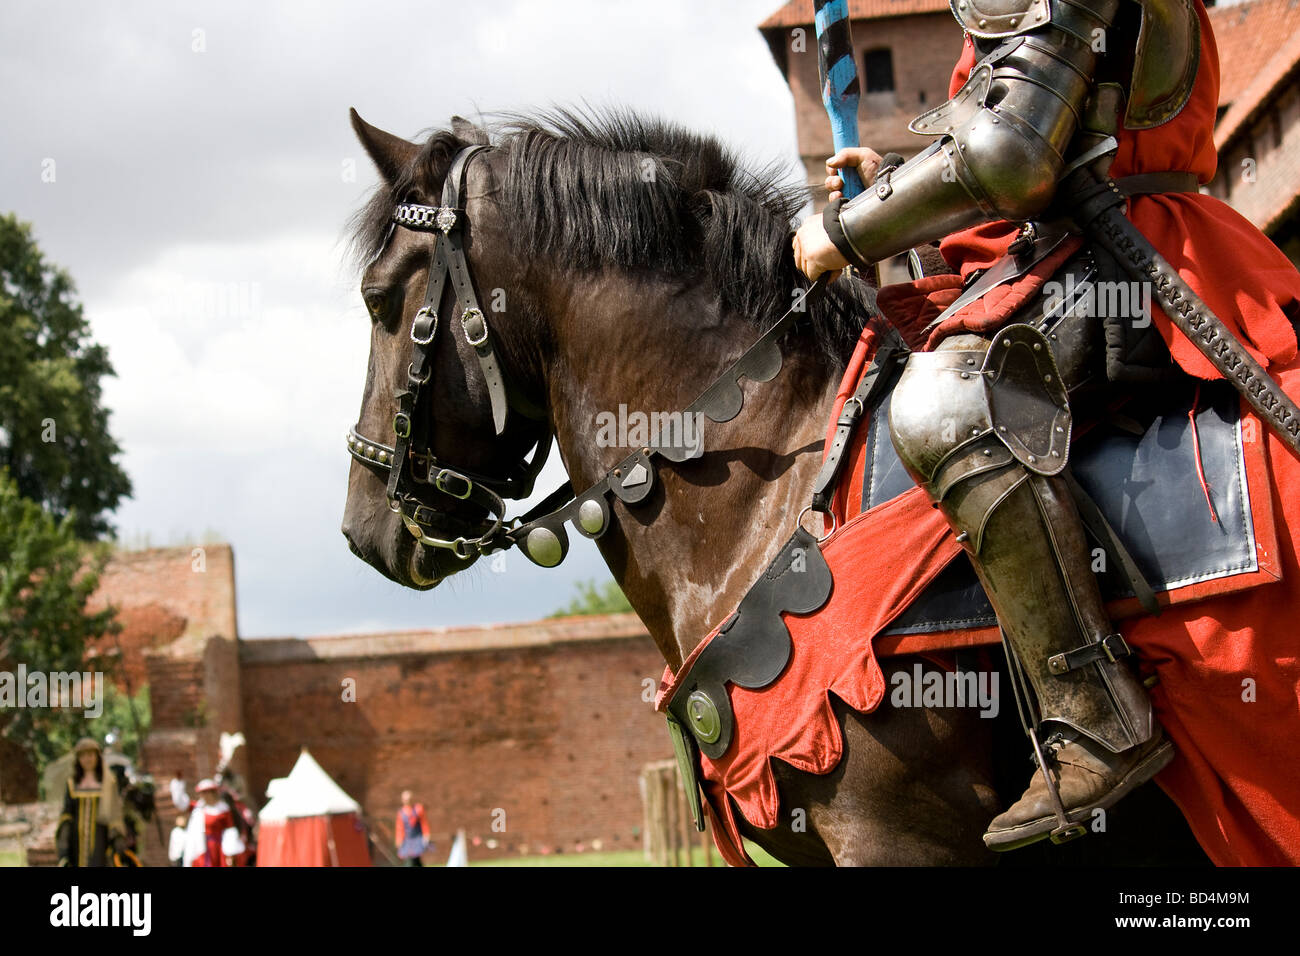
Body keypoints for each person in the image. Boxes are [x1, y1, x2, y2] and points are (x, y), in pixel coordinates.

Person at [792, 0, 1300, 850]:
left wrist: (844, 229)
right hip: (1097, 238)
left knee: (946, 403)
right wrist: (895, 182)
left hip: (1115, 252)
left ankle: (1095, 717)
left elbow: (1010, 154)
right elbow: (1033, 131)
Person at [55, 738, 127, 867]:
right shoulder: (72, 783)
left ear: (97, 757)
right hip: (76, 842)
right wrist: (64, 845)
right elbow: (67, 814)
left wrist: (117, 838)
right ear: (78, 759)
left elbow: (114, 814)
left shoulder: (108, 783)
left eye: (90, 755)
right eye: (83, 756)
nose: (87, 759)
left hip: (101, 838)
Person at [185, 779, 244, 867]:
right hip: (201, 846)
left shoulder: (223, 809)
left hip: (219, 846)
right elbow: (182, 804)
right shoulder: (198, 809)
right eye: (203, 793)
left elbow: (230, 830)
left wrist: (230, 851)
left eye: (207, 792)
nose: (205, 795)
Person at [395, 790, 430, 866]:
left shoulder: (418, 809)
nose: (408, 801)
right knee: (411, 859)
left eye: (409, 799)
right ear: (403, 800)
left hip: (417, 838)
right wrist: (399, 841)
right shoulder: (401, 813)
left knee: (414, 858)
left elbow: (424, 823)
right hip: (407, 840)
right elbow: (400, 829)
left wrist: (426, 835)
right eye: (406, 800)